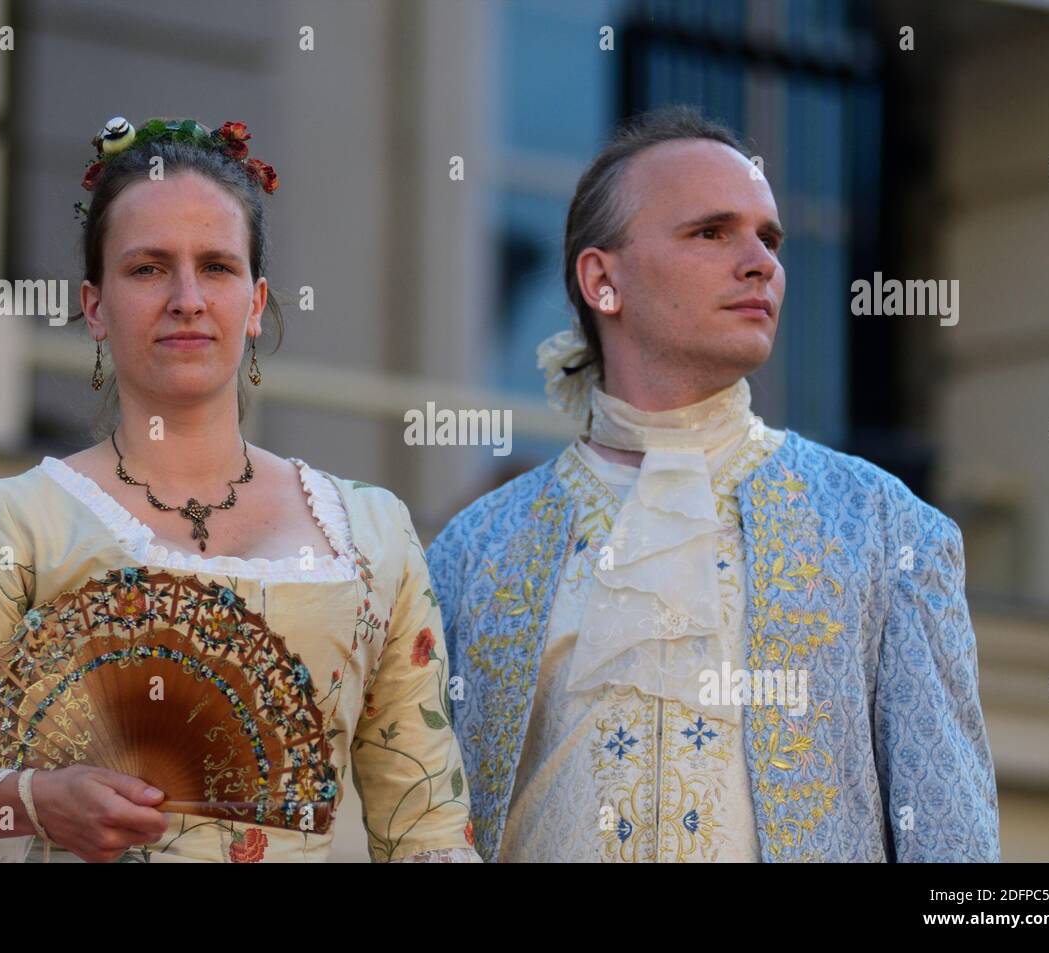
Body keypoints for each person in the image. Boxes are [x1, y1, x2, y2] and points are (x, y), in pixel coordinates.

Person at [0, 116, 478, 864]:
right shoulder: (11, 525)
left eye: (217, 266)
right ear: (94, 306)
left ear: (256, 304)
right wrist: (33, 799)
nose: (187, 297)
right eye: (149, 267)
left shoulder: (372, 535)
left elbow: (429, 835)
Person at [426, 106, 1000, 863]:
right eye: (711, 231)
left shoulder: (888, 529)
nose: (760, 261)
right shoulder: (474, 549)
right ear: (603, 279)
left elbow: (956, 853)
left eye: (770, 237)